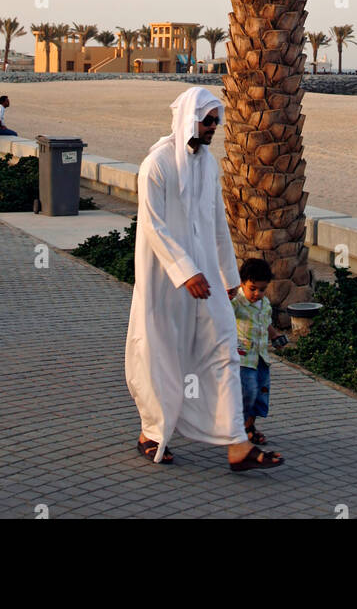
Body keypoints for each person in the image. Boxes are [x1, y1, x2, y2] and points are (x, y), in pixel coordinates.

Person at [125, 85, 283, 471]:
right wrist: (185, 272)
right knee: (162, 355)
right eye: (207, 121)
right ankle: (152, 432)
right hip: (164, 282)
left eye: (216, 121)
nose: (214, 127)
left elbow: (217, 225)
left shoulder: (208, 165)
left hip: (207, 279)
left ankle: (236, 443)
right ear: (188, 119)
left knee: (225, 346)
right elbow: (153, 226)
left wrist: (229, 276)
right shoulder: (157, 164)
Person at [232, 258, 281, 447]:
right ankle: (237, 429)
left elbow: (266, 322)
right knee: (248, 392)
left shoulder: (265, 303)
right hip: (243, 359)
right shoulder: (236, 302)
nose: (257, 294)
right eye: (252, 288)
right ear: (242, 283)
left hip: (261, 358)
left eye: (262, 289)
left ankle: (249, 427)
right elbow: (221, 318)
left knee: (260, 393)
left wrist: (275, 336)